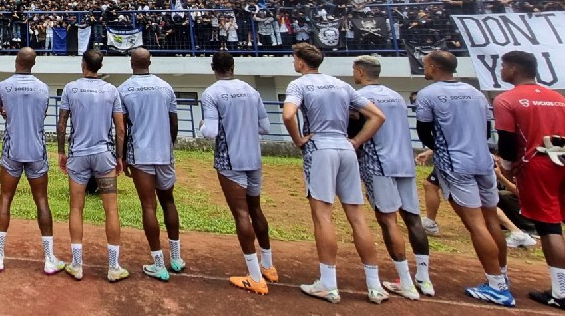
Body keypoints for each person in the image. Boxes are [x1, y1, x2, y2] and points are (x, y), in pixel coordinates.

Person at [282, 43, 388, 304]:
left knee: (323, 216)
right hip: (345, 147)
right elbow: (377, 116)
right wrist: (357, 141)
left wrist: (298, 140)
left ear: (300, 62)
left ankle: (328, 283)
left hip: (320, 148)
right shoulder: (342, 85)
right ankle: (374, 285)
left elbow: (288, 115)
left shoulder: (299, 84)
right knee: (358, 218)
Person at [416, 49, 512, 306]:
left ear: (434, 67)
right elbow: (487, 128)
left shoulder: (428, 94)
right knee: (491, 220)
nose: (424, 68)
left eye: (425, 64)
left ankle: (497, 285)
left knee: (475, 224)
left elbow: (425, 132)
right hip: (482, 160)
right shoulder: (476, 93)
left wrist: (439, 148)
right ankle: (502, 276)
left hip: (455, 163)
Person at [350, 54, 435, 299]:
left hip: (379, 162)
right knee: (413, 218)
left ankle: (406, 282)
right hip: (404, 161)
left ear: (361, 71)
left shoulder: (361, 98)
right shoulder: (396, 95)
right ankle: (424, 278)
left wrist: (354, 142)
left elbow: (355, 126)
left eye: (355, 70)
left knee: (388, 220)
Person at [493, 50, 565, 308]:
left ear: (513, 69)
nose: (501, 71)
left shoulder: (506, 100)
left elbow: (508, 142)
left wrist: (507, 169)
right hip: (562, 157)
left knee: (549, 226)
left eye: (502, 67)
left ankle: (561, 291)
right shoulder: (557, 97)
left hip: (538, 163)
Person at [200, 50, 276, 294]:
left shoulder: (212, 93)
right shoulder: (251, 91)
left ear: (214, 68)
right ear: (233, 66)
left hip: (230, 159)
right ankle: (268, 266)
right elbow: (265, 126)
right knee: (256, 209)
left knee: (241, 214)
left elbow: (211, 132)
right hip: (253, 157)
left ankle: (254, 277)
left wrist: (203, 125)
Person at [0, 47, 64, 275]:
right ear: (34, 64)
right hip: (36, 150)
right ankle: (49, 258)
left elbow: (3, 111)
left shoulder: (3, 86)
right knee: (42, 201)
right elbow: (41, 115)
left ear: (16, 61)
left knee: (5, 198)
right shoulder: (43, 88)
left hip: (12, 149)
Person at [56, 49, 128, 283]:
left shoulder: (71, 88)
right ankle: (114, 266)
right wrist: (119, 156)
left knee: (76, 208)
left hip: (78, 154)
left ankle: (77, 264)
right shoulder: (111, 90)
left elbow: (62, 123)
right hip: (104, 155)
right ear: (100, 65)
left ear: (83, 64)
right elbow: (120, 128)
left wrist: (61, 152)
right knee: (112, 209)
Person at [119, 47, 183, 281]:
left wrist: (123, 155)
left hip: (141, 155)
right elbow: (173, 122)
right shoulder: (165, 87)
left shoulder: (124, 89)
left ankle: (158, 263)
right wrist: (169, 145)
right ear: (150, 62)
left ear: (131, 63)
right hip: (164, 152)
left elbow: (122, 128)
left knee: (149, 206)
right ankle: (176, 258)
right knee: (169, 202)